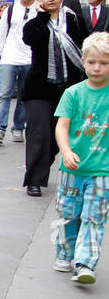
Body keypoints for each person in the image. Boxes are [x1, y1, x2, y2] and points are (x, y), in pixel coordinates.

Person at [51, 31, 109, 283]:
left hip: (103, 171)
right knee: (67, 214)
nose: (96, 68)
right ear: (83, 61)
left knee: (94, 217)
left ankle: (85, 263)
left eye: (104, 63)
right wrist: (66, 151)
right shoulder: (73, 93)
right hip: (72, 168)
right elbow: (62, 126)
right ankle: (64, 252)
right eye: (91, 62)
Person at [20, 0, 86, 197]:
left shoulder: (73, 19)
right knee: (39, 134)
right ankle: (35, 181)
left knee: (57, 138)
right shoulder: (35, 22)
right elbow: (30, 39)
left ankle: (41, 168)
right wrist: (40, 17)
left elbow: (84, 46)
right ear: (40, 0)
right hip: (39, 87)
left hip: (68, 87)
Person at [0, 0, 40, 144]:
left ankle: (18, 127)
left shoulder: (40, 9)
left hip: (30, 59)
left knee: (25, 96)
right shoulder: (10, 10)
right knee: (3, 95)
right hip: (9, 58)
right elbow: (0, 36)